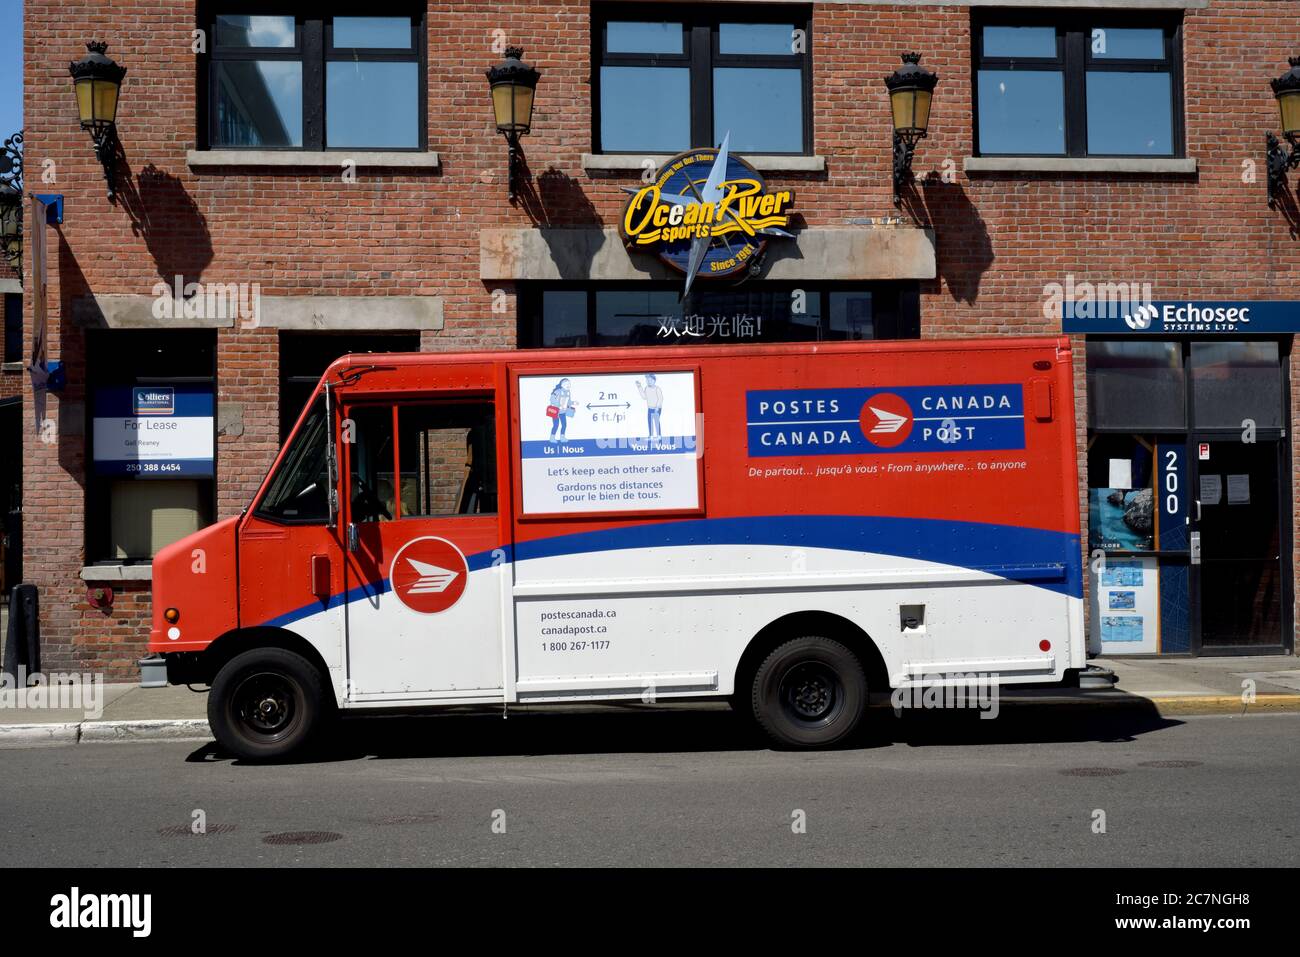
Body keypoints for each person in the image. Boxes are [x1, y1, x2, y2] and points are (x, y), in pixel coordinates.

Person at [636, 374, 663, 440]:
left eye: (650, 380)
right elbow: (644, 397)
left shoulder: (657, 389)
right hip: (650, 408)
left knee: (656, 421)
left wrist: (657, 407)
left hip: (657, 408)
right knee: (650, 421)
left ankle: (659, 436)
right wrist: (639, 387)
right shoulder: (647, 388)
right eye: (647, 380)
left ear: (654, 380)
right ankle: (651, 436)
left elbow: (660, 398)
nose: (648, 381)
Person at [548, 378, 573, 443]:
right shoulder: (557, 391)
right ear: (562, 385)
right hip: (555, 411)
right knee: (556, 425)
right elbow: (552, 399)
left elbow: (569, 402)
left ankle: (562, 437)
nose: (568, 385)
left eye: (569, 384)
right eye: (567, 384)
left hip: (563, 412)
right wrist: (559, 405)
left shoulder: (568, 392)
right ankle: (552, 438)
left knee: (564, 424)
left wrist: (573, 403)